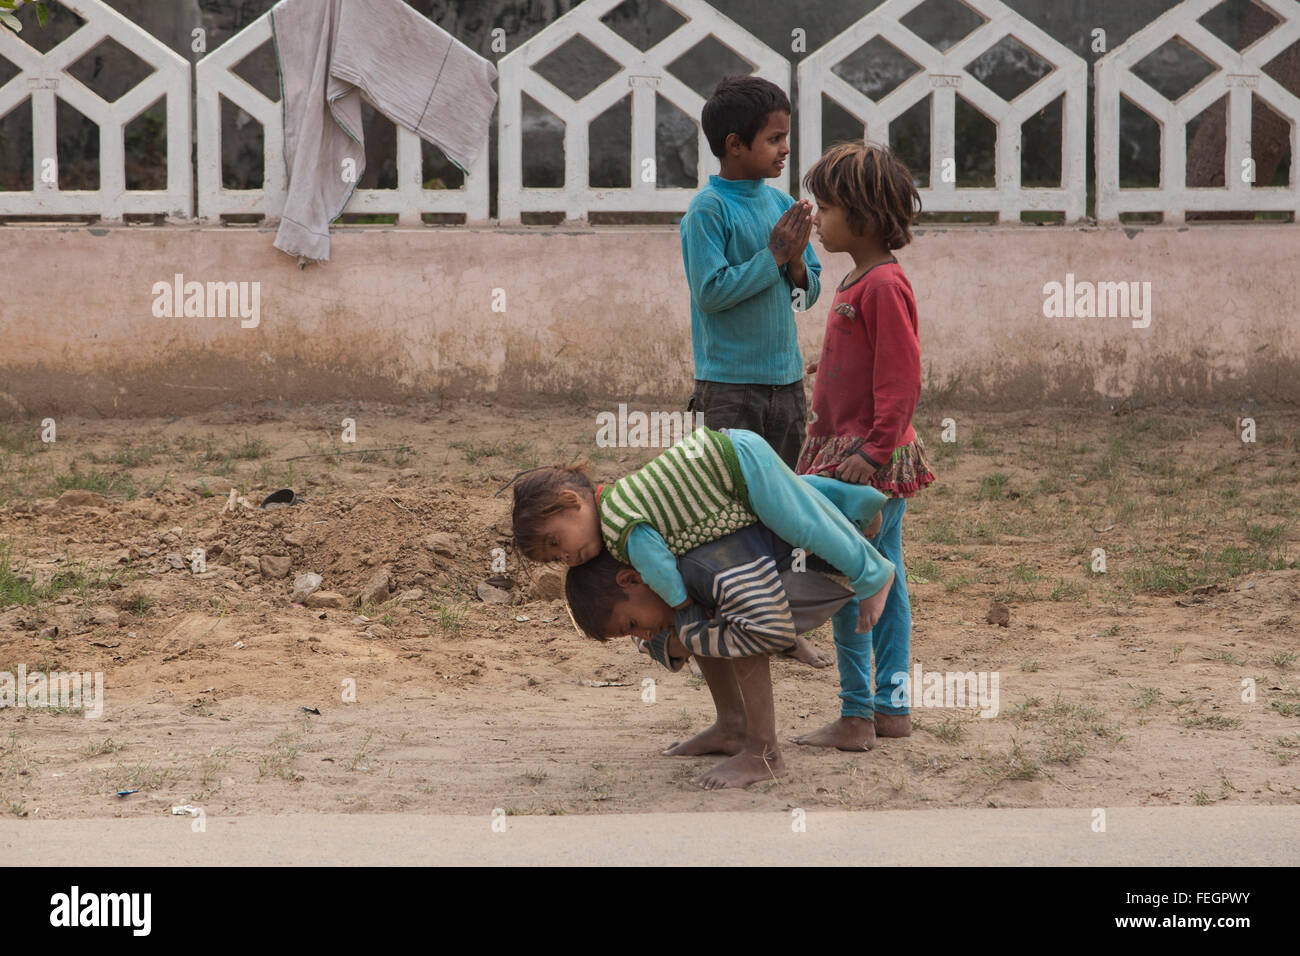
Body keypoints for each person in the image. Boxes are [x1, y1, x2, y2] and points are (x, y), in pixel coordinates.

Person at [793, 141, 937, 751]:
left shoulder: (881, 287)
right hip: (854, 454)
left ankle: (856, 716)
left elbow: (901, 380)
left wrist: (874, 456)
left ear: (863, 215)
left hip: (865, 464)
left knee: (847, 578)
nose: (817, 219)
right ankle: (892, 708)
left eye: (826, 208)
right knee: (888, 580)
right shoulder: (858, 281)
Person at [511, 425, 891, 636]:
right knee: (798, 497)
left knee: (804, 527)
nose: (566, 557)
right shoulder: (618, 498)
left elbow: (658, 565)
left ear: (570, 502)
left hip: (736, 465)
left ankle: (872, 574)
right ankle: (855, 500)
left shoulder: (617, 523)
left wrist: (682, 607)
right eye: (554, 558)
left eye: (556, 541)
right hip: (735, 464)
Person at [565, 522, 858, 789]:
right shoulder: (664, 565)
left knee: (734, 623)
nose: (643, 633)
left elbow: (755, 617)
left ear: (630, 579)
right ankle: (732, 726)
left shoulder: (702, 566)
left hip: (829, 565)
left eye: (632, 625)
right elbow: (657, 636)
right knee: (692, 620)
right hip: (790, 570)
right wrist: (669, 641)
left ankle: (764, 753)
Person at [680, 75, 822, 469]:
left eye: (786, 137)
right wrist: (774, 256)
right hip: (729, 386)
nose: (786, 148)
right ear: (735, 145)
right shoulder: (708, 209)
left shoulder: (782, 204)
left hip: (787, 381)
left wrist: (795, 263)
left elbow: (806, 298)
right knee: (728, 492)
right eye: (775, 139)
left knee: (785, 489)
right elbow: (710, 293)